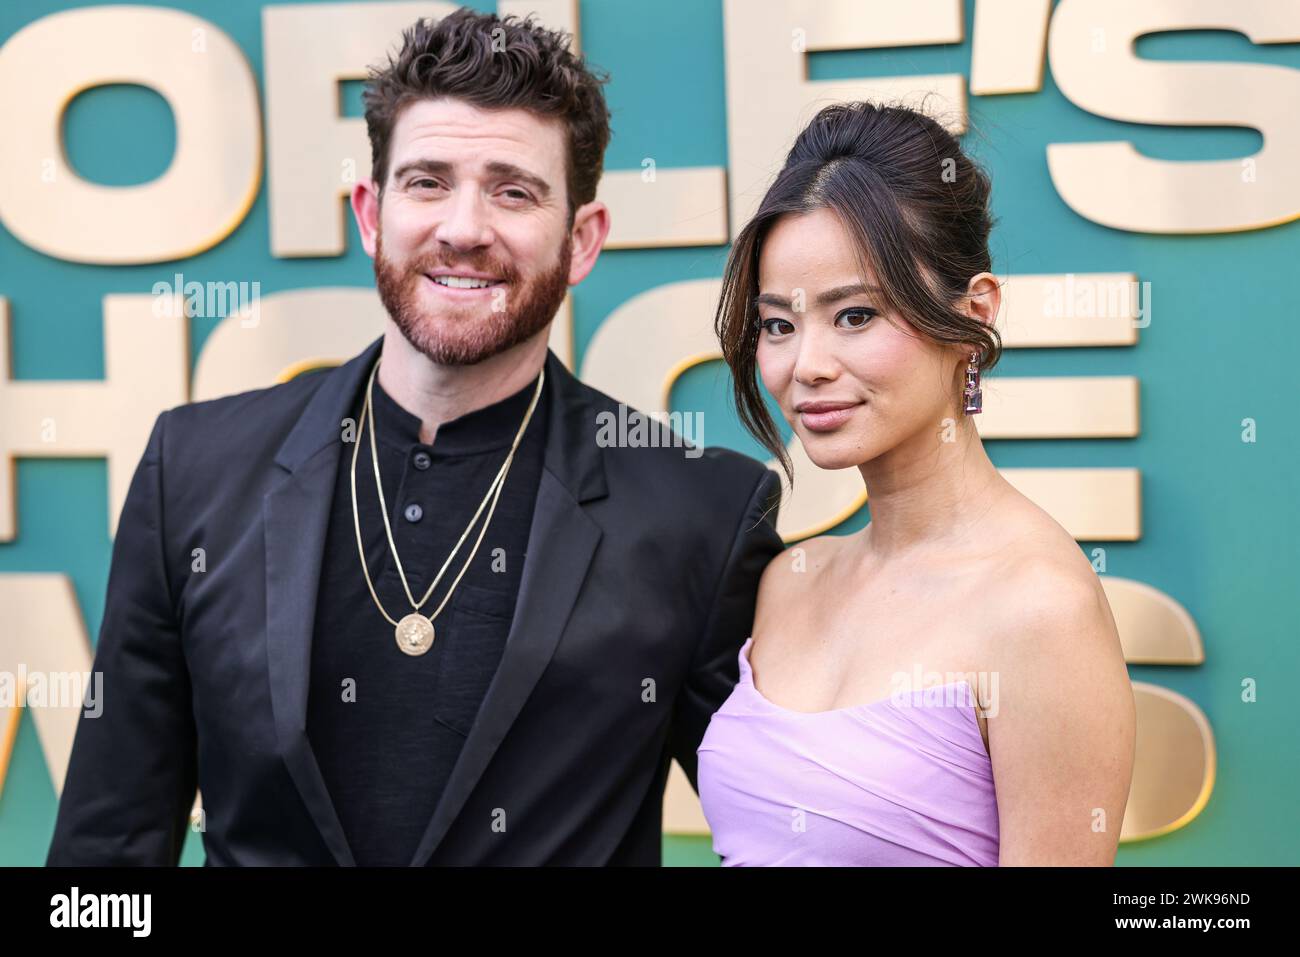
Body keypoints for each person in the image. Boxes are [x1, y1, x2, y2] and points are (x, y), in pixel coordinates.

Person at [47, 8, 783, 867]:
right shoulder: (196, 471)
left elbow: (787, 835)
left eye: (513, 189)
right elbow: (101, 860)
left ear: (581, 241)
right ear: (371, 213)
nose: (463, 228)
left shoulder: (703, 511)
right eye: (428, 181)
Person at [697, 101, 1137, 866]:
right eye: (778, 324)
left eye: (857, 314)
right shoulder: (789, 583)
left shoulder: (1040, 609)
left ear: (974, 313)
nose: (807, 365)